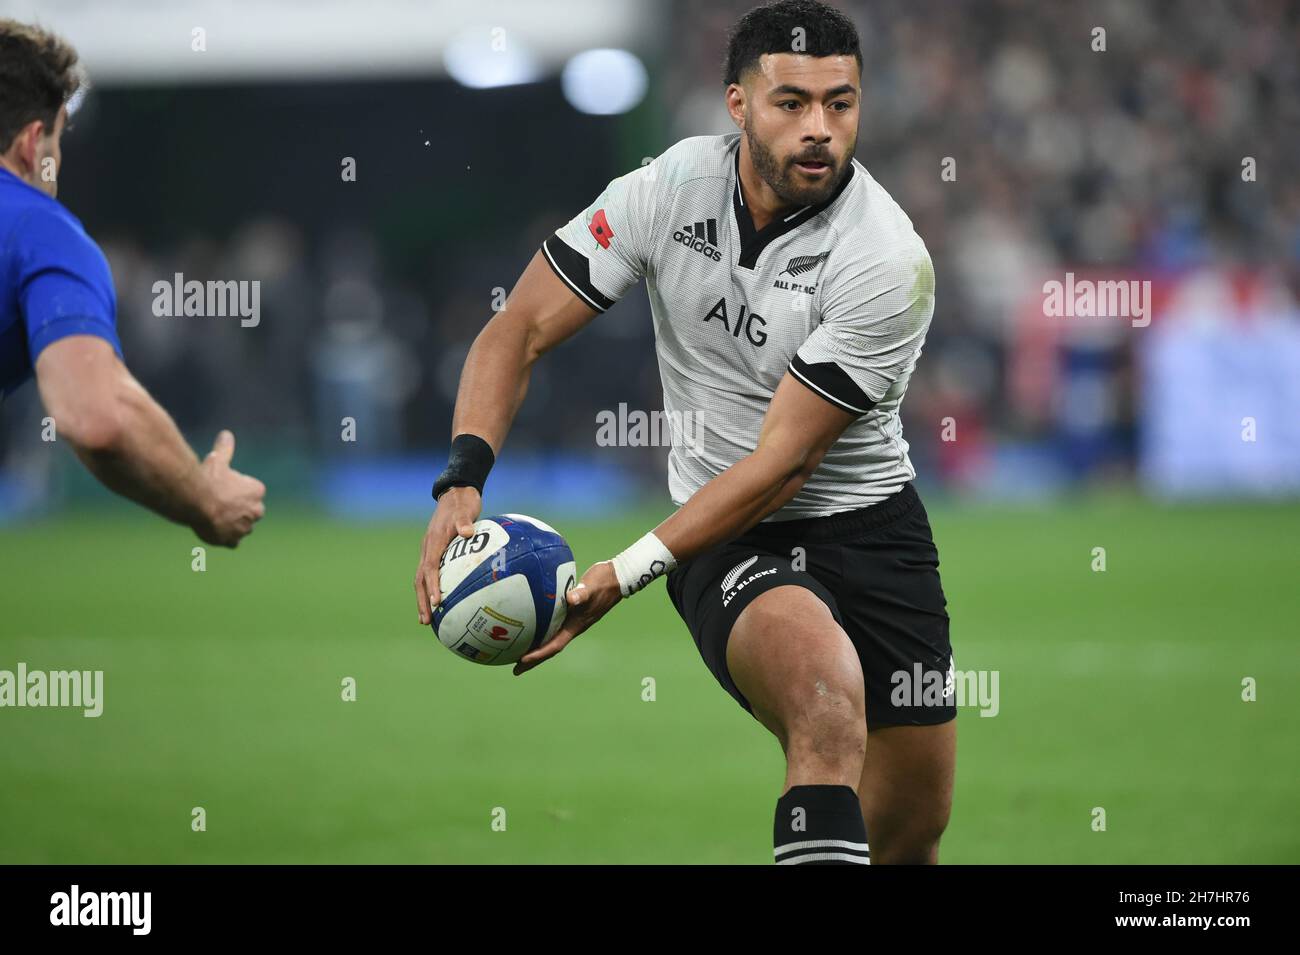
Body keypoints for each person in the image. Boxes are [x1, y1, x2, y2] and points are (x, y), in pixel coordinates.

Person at [414, 0, 952, 864]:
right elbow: (517, 328)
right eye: (791, 102)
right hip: (723, 530)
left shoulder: (887, 259)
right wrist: (462, 479)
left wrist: (619, 574)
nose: (819, 128)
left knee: (912, 827)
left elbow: (788, 462)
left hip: (872, 527)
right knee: (823, 703)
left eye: (840, 103)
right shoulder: (667, 189)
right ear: (738, 105)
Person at [0, 20, 265, 546]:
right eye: (58, 139)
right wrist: (204, 499)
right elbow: (95, 414)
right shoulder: (38, 229)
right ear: (33, 143)